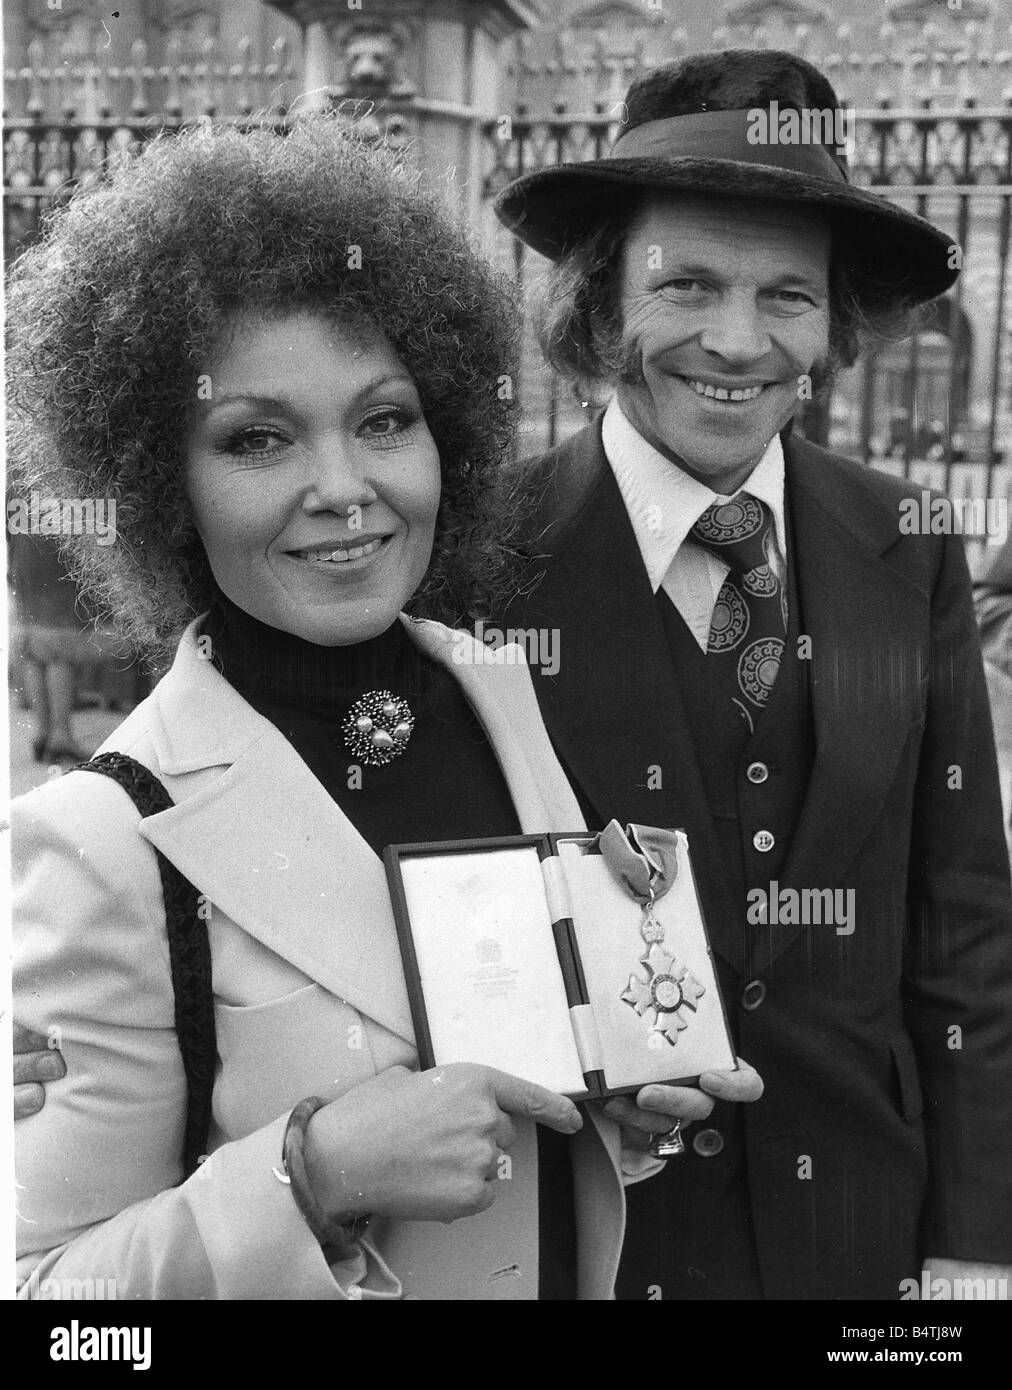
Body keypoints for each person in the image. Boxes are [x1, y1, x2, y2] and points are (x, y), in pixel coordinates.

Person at [8, 118, 762, 1301]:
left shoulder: (498, 689)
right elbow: (55, 1306)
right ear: (163, 485)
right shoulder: (108, 835)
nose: (345, 490)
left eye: (383, 419)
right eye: (257, 438)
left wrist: (615, 1101)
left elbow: (500, 1112)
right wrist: (310, 1174)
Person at [493, 49, 1012, 1299]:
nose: (738, 341)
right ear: (603, 301)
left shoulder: (909, 540)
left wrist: (977, 1244)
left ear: (834, 325)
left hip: (865, 1237)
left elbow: (963, 916)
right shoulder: (484, 555)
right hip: (596, 1234)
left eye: (787, 295)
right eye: (687, 284)